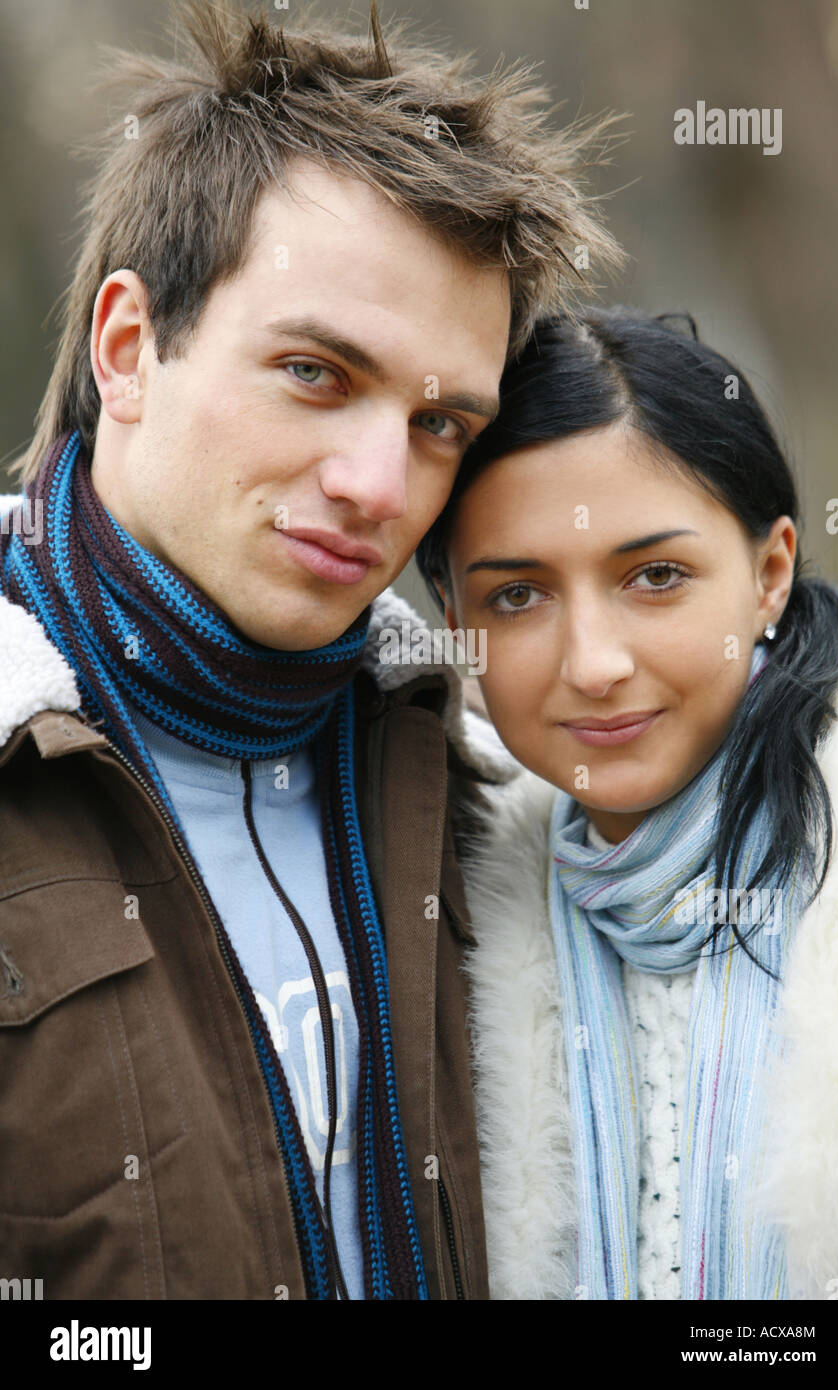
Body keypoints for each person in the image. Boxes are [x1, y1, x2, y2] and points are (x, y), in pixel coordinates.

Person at [0, 0, 623, 1299]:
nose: (378, 483)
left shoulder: (492, 779)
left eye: (442, 420)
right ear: (129, 348)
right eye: (315, 373)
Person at [416, 307, 838, 1300]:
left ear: (769, 574)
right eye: (517, 596)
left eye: (654, 577)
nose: (593, 664)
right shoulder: (448, 929)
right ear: (454, 623)